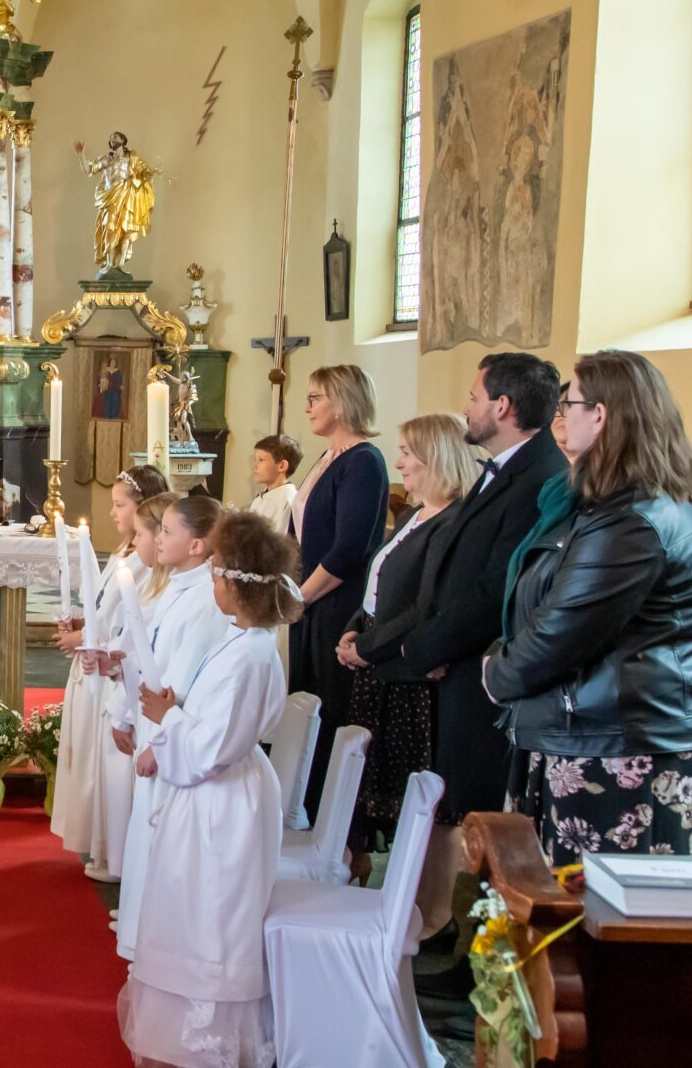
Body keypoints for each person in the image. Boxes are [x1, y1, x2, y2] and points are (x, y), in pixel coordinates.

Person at [486, 351, 692, 866]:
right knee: (547, 913)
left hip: (617, 748)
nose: (560, 413)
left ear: (600, 415)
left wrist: (496, 673)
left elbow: (564, 628)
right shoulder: (602, 505)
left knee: (590, 924)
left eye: (568, 402)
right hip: (583, 732)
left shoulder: (634, 517)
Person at [403, 352, 565, 1001]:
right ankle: (453, 937)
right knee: (460, 799)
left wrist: (433, 645)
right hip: (463, 663)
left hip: (484, 669)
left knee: (475, 806)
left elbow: (494, 585)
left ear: (502, 406)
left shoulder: (538, 477)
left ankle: (471, 951)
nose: (465, 406)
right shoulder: (504, 470)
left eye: (473, 395)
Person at [120, 509, 297, 1068]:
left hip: (224, 803)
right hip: (214, 795)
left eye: (218, 573)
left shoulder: (250, 655)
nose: (211, 582)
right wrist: (176, 711)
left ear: (233, 585)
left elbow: (211, 749)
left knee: (211, 915)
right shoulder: (243, 639)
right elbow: (212, 723)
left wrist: (165, 721)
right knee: (189, 907)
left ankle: (209, 1040)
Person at [335, 414, 478, 918]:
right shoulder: (413, 515)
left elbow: (424, 607)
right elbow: (378, 584)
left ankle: (427, 912)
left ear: (437, 459)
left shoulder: (452, 521)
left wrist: (368, 648)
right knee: (383, 790)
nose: (399, 462)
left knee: (420, 801)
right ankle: (393, 895)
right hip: (379, 666)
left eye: (408, 454)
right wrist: (355, 629)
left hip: (408, 677)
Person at [113, 495, 233, 961]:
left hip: (174, 734)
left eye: (167, 530)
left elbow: (181, 682)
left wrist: (159, 742)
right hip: (157, 725)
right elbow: (154, 656)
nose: (158, 538)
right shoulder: (180, 585)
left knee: (158, 834)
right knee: (146, 831)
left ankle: (153, 940)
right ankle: (141, 930)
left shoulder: (205, 598)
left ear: (198, 544)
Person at [51, 464, 170, 881]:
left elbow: (132, 622)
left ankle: (111, 852)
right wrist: (83, 627)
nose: (113, 513)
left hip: (112, 673)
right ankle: (100, 847)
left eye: (120, 505)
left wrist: (91, 639)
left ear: (144, 509)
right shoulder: (124, 553)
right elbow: (108, 610)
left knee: (110, 766)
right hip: (99, 665)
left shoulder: (144, 560)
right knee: (89, 761)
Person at [288, 365, 390, 819]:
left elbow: (349, 548)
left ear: (343, 400)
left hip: (334, 606)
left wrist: (300, 596)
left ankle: (335, 823)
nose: (307, 406)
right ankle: (303, 806)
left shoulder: (363, 461)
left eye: (316, 397)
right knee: (305, 703)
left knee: (330, 708)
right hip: (310, 601)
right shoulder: (328, 456)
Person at [247, 433, 302, 534]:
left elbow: (280, 543)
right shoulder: (260, 499)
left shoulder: (289, 501)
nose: (254, 466)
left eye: (261, 460)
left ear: (281, 466)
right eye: (255, 459)